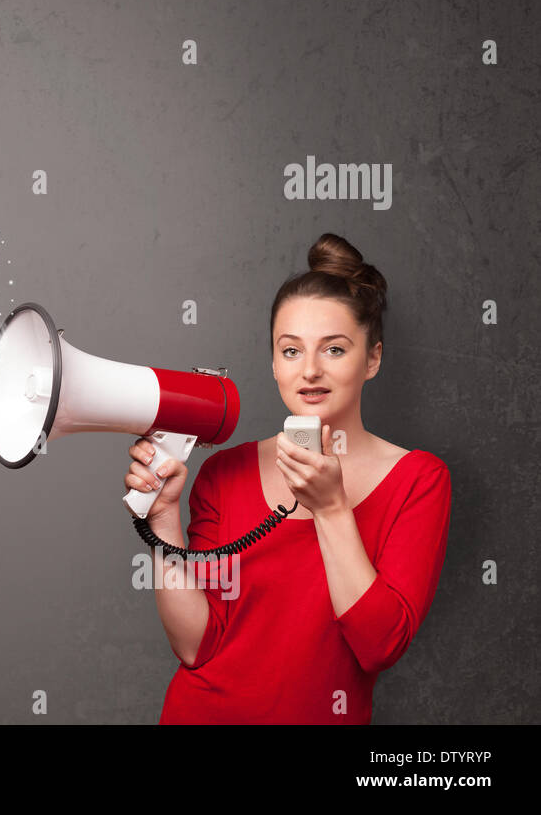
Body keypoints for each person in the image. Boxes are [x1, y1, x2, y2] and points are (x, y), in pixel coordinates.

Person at [125, 232, 451, 724]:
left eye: (335, 350)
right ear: (274, 364)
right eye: (292, 351)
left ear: (373, 359)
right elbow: (195, 646)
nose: (311, 371)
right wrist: (165, 517)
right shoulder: (225, 473)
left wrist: (331, 508)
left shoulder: (418, 481)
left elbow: (379, 645)